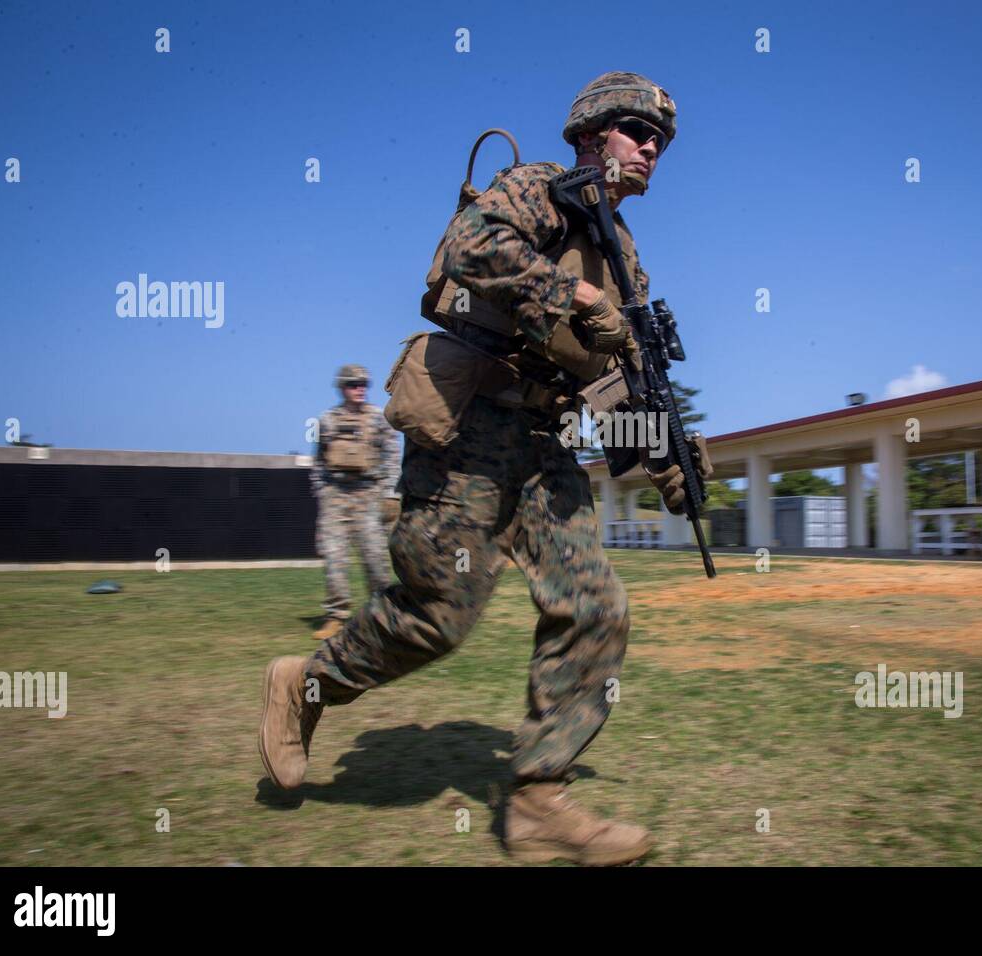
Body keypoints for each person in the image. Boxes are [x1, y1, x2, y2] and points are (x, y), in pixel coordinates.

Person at [259, 72, 707, 865]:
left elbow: (614, 379)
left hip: (544, 445)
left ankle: (538, 801)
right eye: (637, 131)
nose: (651, 148)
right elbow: (472, 246)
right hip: (469, 427)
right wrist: (575, 296)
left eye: (660, 141)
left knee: (597, 606)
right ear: (591, 133)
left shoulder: (625, 256)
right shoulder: (541, 188)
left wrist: (666, 454)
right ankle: (308, 684)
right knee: (438, 615)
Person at [310, 365, 401, 640]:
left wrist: (390, 494)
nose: (359, 388)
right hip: (335, 496)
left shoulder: (379, 419)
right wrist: (323, 492)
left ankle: (382, 614)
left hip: (368, 495)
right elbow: (319, 461)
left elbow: (392, 456)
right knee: (334, 558)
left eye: (363, 384)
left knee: (374, 558)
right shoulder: (326, 420)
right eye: (353, 384)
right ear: (342, 388)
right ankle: (336, 616)